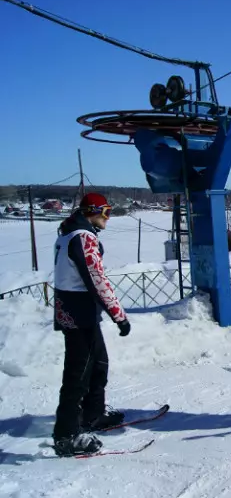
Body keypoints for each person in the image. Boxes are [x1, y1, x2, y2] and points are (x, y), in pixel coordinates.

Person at [51, 192, 131, 457]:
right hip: (78, 314)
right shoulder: (82, 238)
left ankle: (93, 414)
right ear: (91, 212)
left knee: (98, 364)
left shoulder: (70, 233)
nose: (107, 218)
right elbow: (97, 280)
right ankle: (66, 435)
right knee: (78, 375)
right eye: (105, 212)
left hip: (79, 311)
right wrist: (119, 315)